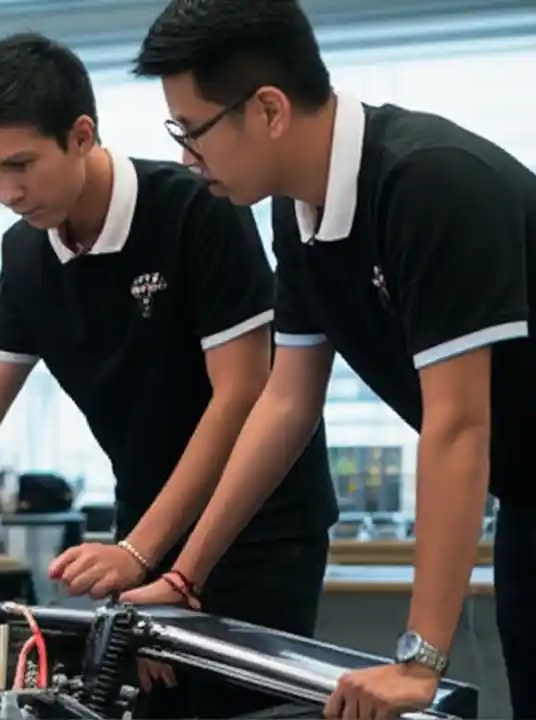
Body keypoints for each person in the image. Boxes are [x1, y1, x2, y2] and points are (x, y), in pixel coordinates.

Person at [123, 1, 536, 718]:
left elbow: (460, 426)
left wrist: (419, 660)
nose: (187, 158)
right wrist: (187, 575)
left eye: (193, 131)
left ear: (270, 110)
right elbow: (285, 404)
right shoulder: (297, 210)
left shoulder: (429, 184)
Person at [0, 32, 337, 717]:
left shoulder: (196, 209)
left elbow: (241, 396)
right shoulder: (25, 253)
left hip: (259, 524)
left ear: (82, 134)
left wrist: (145, 551)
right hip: (144, 522)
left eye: (20, 164)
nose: (7, 192)